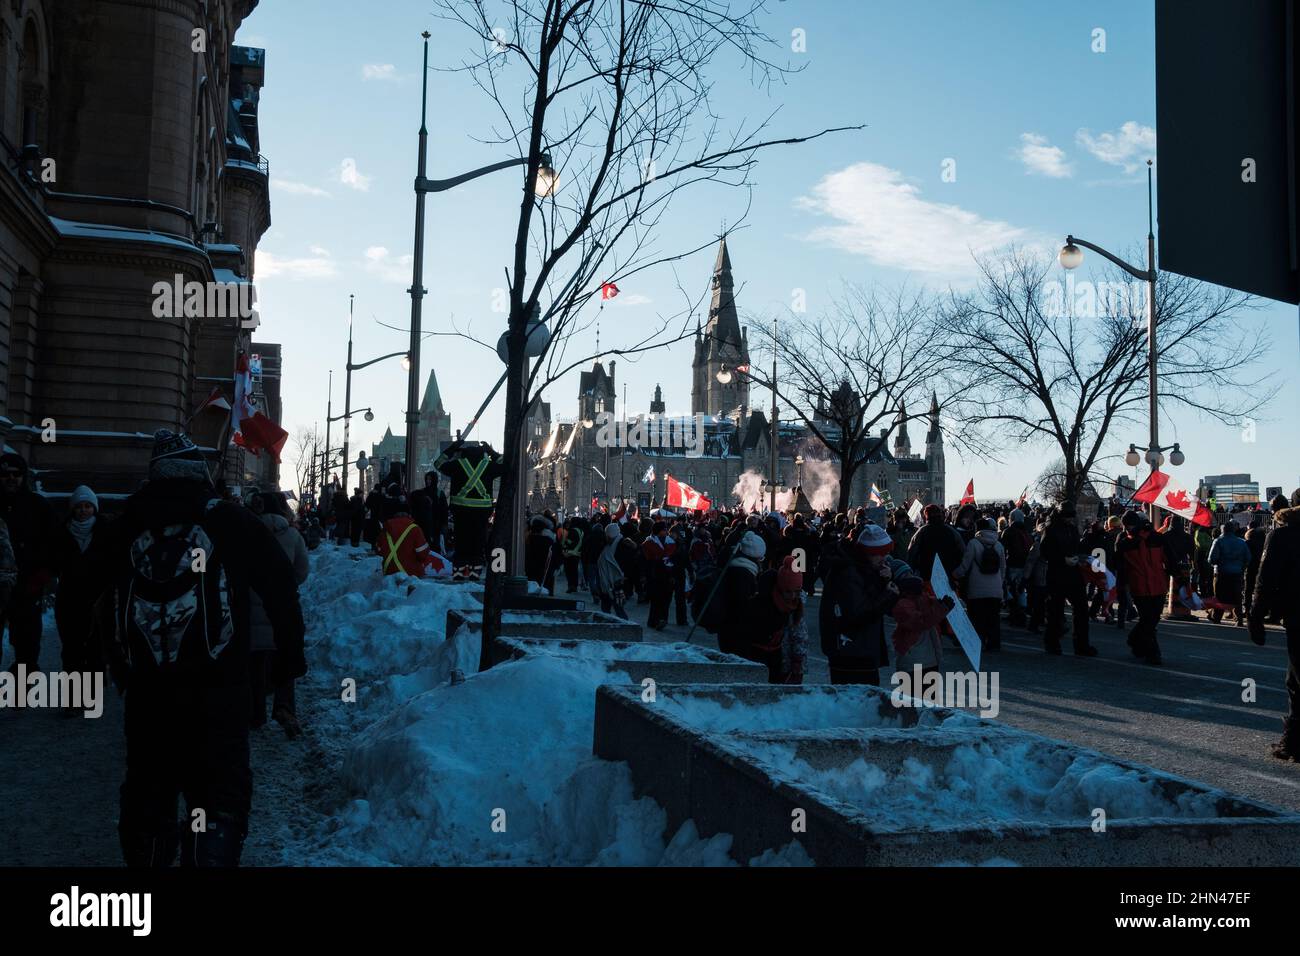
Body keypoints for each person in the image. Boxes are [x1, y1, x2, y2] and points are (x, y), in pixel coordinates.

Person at [101, 430, 305, 867]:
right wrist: (287, 663)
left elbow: (79, 593)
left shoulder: (128, 521)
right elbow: (281, 587)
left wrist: (109, 662)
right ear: (201, 472)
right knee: (218, 796)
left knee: (148, 789)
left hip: (148, 691)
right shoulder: (230, 520)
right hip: (220, 690)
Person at [820, 525, 916, 685]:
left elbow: (876, 604)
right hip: (850, 651)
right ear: (867, 553)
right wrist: (888, 593)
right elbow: (859, 614)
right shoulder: (848, 572)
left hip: (858, 648)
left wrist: (884, 582)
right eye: (880, 554)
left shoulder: (862, 568)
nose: (885, 559)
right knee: (859, 701)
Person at [248, 493, 309, 738]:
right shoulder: (293, 536)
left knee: (254, 661)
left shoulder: (248, 533)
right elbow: (302, 571)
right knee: (286, 657)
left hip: (251, 606)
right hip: (282, 607)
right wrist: (286, 584)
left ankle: (255, 712)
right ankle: (285, 708)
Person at [1249, 490, 1300, 761]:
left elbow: (1265, 578)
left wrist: (1256, 614)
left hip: (1296, 613)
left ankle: (1293, 742)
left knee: (1296, 680)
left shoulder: (1282, 535)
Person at [53, 485, 114, 690]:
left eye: (88, 506)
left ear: (94, 508)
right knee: (71, 649)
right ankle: (72, 697)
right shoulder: (62, 532)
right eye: (79, 506)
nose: (83, 510)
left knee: (96, 649)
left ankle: (92, 692)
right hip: (69, 599)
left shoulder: (106, 532)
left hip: (98, 599)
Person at [0, 452, 57, 672]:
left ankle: (22, 683)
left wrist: (41, 576)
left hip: (27, 586)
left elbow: (55, 544)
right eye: (5, 474)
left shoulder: (38, 506)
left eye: (16, 474)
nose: (11, 478)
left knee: (27, 643)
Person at [739, 554, 807, 684]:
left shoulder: (797, 606)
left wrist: (798, 659)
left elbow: (800, 635)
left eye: (797, 591)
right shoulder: (760, 604)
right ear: (780, 588)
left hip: (781, 660)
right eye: (788, 591)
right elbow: (744, 633)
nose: (793, 596)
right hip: (756, 656)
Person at [1041, 504, 1097, 656]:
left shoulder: (1072, 529)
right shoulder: (1050, 529)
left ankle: (1081, 645)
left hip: (1073, 572)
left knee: (1081, 610)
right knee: (1055, 611)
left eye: (1071, 516)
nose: (1070, 519)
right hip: (1057, 574)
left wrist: (1081, 557)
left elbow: (1077, 547)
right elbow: (1045, 552)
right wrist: (1062, 559)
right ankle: (1052, 644)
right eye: (1068, 516)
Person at [1115, 511, 1170, 665]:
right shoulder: (1124, 542)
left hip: (1157, 586)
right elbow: (1120, 567)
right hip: (1140, 587)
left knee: (1152, 620)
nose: (1127, 529)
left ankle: (1135, 641)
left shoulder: (1157, 539)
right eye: (1126, 526)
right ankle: (1152, 653)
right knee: (1148, 620)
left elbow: (1169, 559)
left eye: (1129, 525)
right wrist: (1121, 586)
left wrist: (1178, 576)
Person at [955, 517, 1005, 652]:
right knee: (993, 618)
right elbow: (1002, 569)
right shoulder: (998, 545)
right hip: (995, 589)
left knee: (977, 618)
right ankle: (994, 644)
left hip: (976, 589)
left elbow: (965, 566)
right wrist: (1000, 584)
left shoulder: (973, 543)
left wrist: (954, 575)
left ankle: (977, 643)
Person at [890, 576, 955, 678]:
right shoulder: (902, 605)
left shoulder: (922, 599)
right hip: (914, 662)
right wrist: (943, 607)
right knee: (914, 693)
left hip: (928, 659)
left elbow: (933, 606)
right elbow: (921, 621)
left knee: (927, 693)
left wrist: (947, 595)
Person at [715, 530, 764, 656]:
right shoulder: (743, 573)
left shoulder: (735, 566)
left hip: (727, 627)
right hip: (736, 629)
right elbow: (742, 605)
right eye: (760, 558)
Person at [905, 504, 965, 582]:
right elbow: (962, 551)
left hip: (927, 574)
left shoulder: (922, 531)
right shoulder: (951, 531)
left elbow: (911, 553)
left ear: (926, 515)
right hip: (949, 574)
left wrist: (912, 571)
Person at [1208, 522, 1251, 625]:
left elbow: (1211, 559)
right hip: (1237, 573)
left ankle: (1216, 617)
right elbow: (1248, 558)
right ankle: (1238, 619)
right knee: (1236, 596)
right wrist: (1241, 567)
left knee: (1219, 596)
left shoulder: (1218, 541)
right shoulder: (1242, 542)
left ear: (1223, 530)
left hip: (1221, 573)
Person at [641, 521, 677, 630]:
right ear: (658, 531)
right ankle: (654, 621)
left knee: (667, 599)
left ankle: (663, 619)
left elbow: (676, 557)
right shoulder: (648, 543)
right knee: (656, 599)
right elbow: (645, 561)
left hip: (668, 574)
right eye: (664, 529)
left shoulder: (671, 543)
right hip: (655, 574)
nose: (666, 531)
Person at [999, 508, 1032, 627]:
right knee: (1021, 590)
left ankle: (1015, 615)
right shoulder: (1026, 532)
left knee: (1011, 590)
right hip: (1024, 565)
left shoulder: (1008, 531)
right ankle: (1020, 615)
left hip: (1012, 564)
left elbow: (1002, 550)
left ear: (1011, 519)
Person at [560, 516, 585, 594]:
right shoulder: (581, 531)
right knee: (574, 571)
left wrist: (564, 547)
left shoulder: (572, 531)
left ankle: (570, 586)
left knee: (569, 571)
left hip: (570, 553)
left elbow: (569, 542)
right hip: (577, 553)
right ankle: (575, 586)